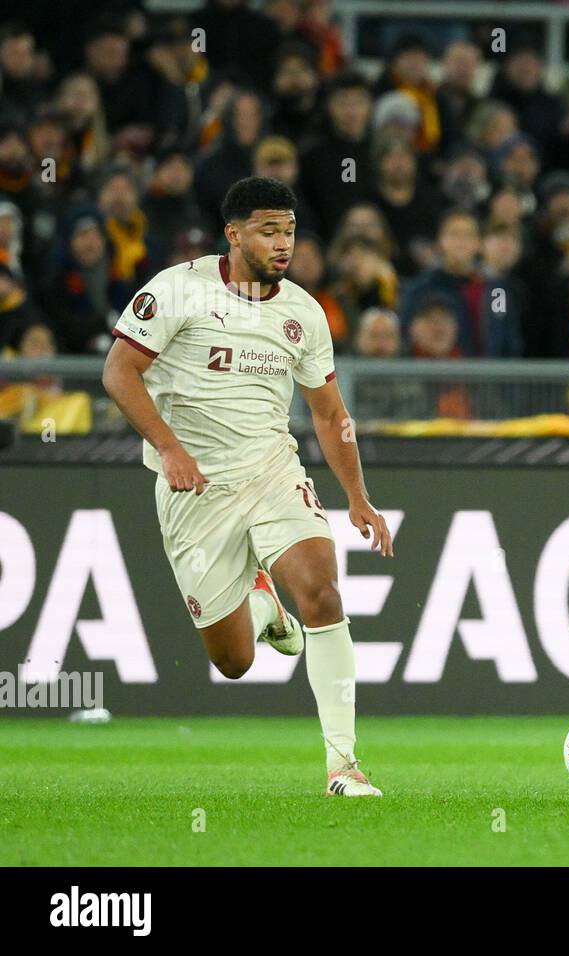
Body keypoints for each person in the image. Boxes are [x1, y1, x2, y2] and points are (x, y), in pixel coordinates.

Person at [101, 176, 393, 797]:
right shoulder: (179, 289)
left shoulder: (303, 313)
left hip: (272, 472)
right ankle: (262, 605)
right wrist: (170, 449)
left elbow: (326, 411)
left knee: (322, 593)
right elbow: (119, 372)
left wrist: (358, 498)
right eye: (268, 231)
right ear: (233, 235)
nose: (283, 244)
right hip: (194, 491)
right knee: (234, 663)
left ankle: (343, 765)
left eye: (289, 231)